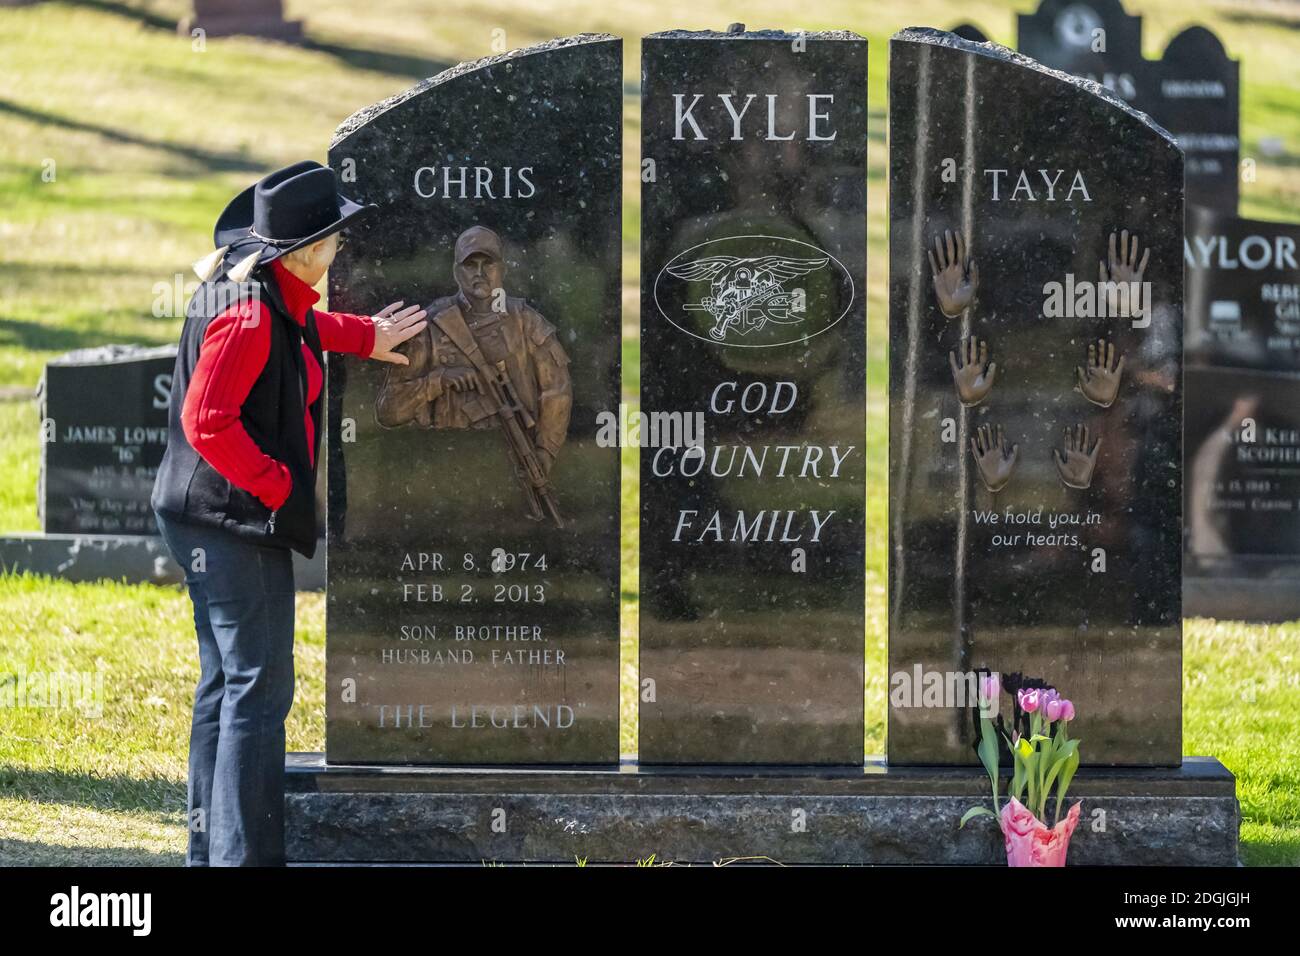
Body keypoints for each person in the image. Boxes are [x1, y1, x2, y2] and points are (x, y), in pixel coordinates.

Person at [151, 161, 426, 866]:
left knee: (227, 683)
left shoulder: (268, 291)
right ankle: (244, 859)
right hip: (227, 522)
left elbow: (299, 328)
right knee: (259, 689)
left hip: (207, 517)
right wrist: (277, 486)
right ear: (310, 251)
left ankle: (213, 851)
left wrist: (364, 336)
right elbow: (206, 419)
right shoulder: (244, 315)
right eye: (336, 238)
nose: (342, 249)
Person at [374, 225, 571, 497]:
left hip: (514, 461)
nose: (480, 273)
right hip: (442, 472)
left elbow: (556, 390)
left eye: (488, 264)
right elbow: (389, 410)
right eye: (470, 265)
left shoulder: (526, 321)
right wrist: (437, 381)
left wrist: (545, 450)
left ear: (502, 269)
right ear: (456, 272)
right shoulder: (430, 327)